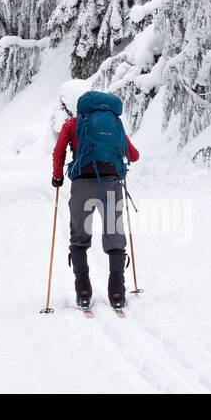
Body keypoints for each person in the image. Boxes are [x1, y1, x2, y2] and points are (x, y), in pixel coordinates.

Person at [51, 79, 139, 310]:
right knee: (114, 236)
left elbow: (58, 153)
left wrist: (57, 177)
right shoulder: (115, 125)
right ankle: (117, 293)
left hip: (82, 186)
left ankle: (83, 291)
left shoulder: (72, 125)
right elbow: (134, 155)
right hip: (110, 184)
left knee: (79, 238)